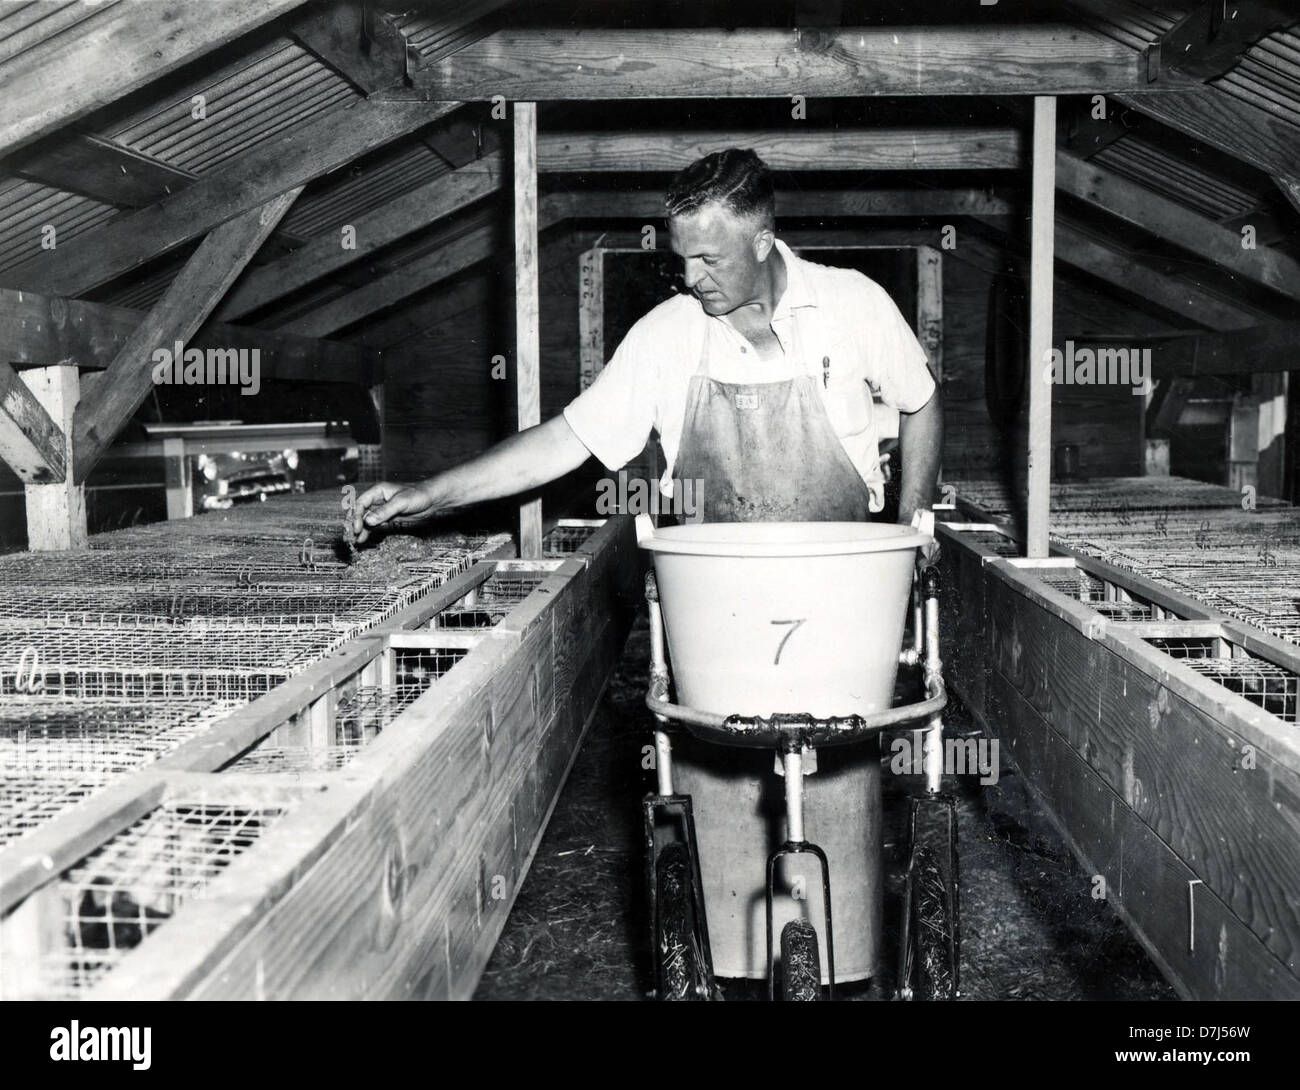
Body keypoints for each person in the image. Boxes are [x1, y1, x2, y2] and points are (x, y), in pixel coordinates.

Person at [351, 148, 942, 985]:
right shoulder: (666, 338)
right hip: (722, 618)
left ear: (765, 241)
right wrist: (430, 494)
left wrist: (912, 529)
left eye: (710, 258)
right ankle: (727, 966)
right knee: (718, 788)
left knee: (840, 789)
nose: (691, 275)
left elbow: (919, 398)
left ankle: (842, 962)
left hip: (837, 610)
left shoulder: (854, 308)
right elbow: (565, 441)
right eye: (680, 256)